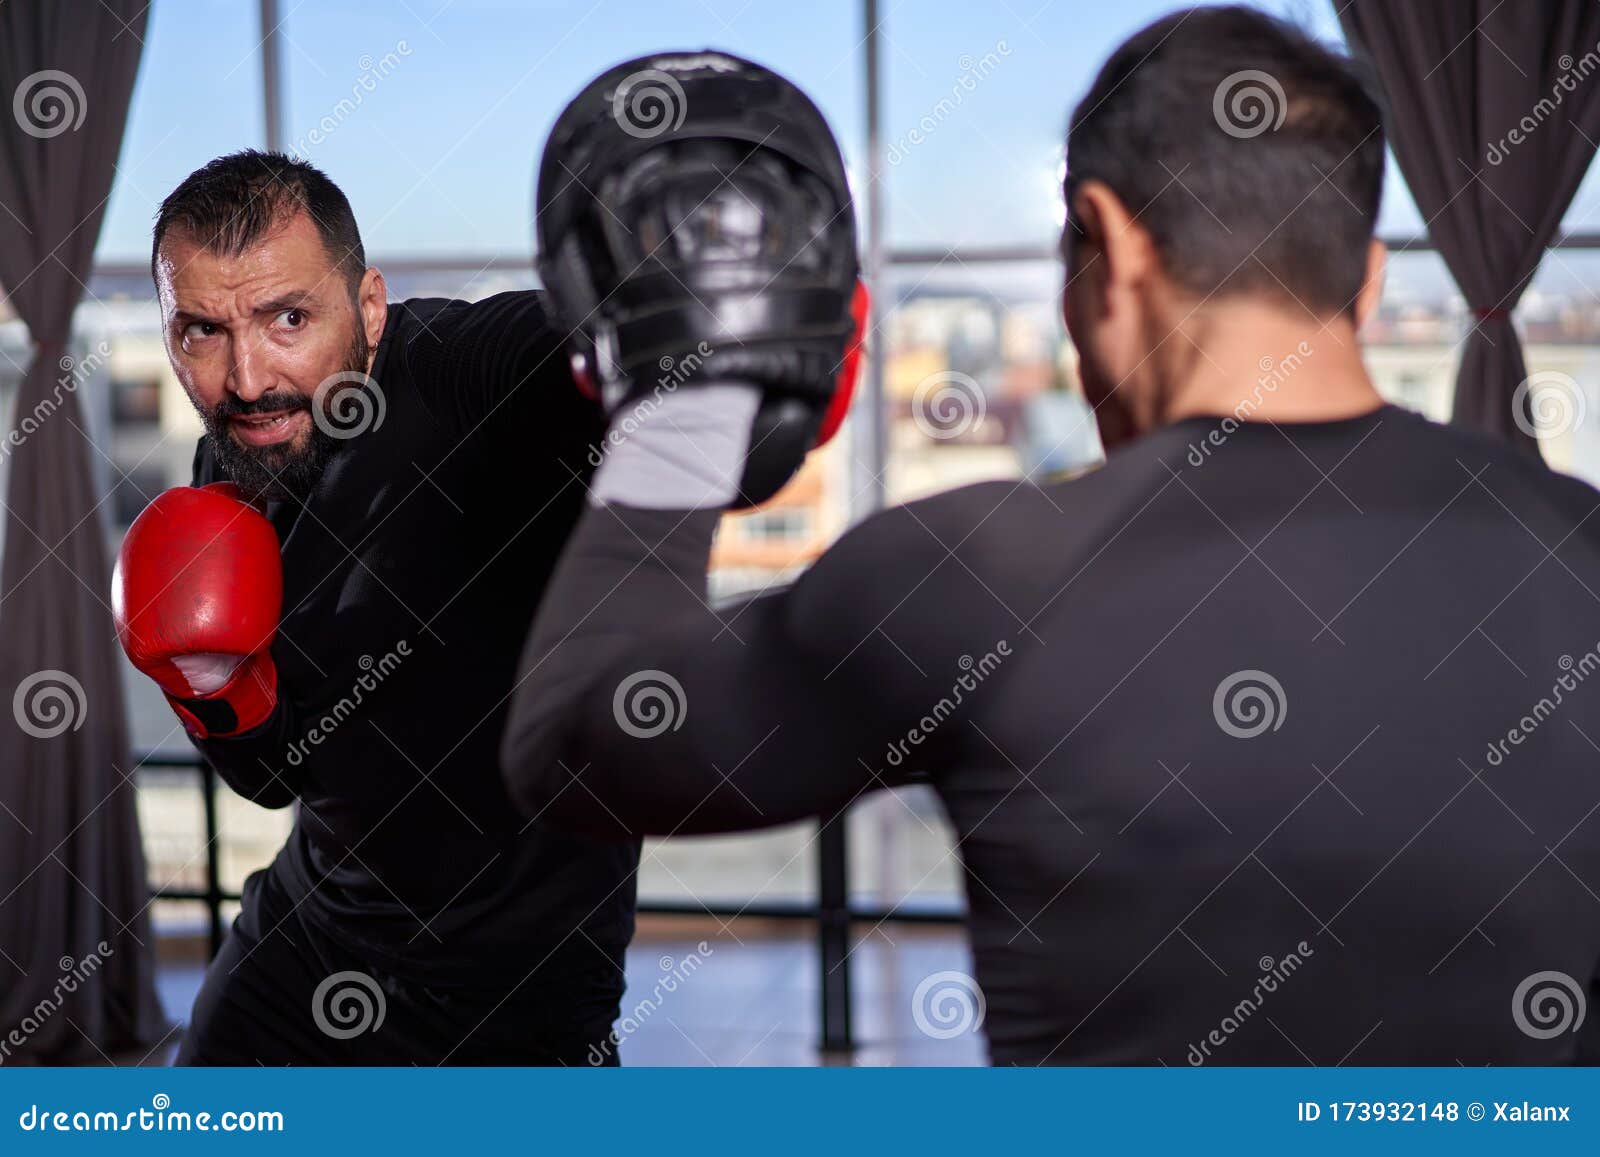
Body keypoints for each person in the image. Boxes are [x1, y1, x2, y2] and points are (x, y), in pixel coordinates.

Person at [502, 7, 1600, 1065]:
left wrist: (691, 391)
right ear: (1365, 278)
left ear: (1110, 241)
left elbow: (575, 743)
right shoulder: (1578, 544)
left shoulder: (982, 573)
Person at [113, 150, 636, 1064]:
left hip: (518, 979)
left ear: (368, 308)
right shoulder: (234, 465)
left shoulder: (460, 376)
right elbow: (273, 776)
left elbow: (568, 353)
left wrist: (687, 321)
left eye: (288, 319)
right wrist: (211, 685)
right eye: (201, 330)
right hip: (313, 927)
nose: (246, 378)